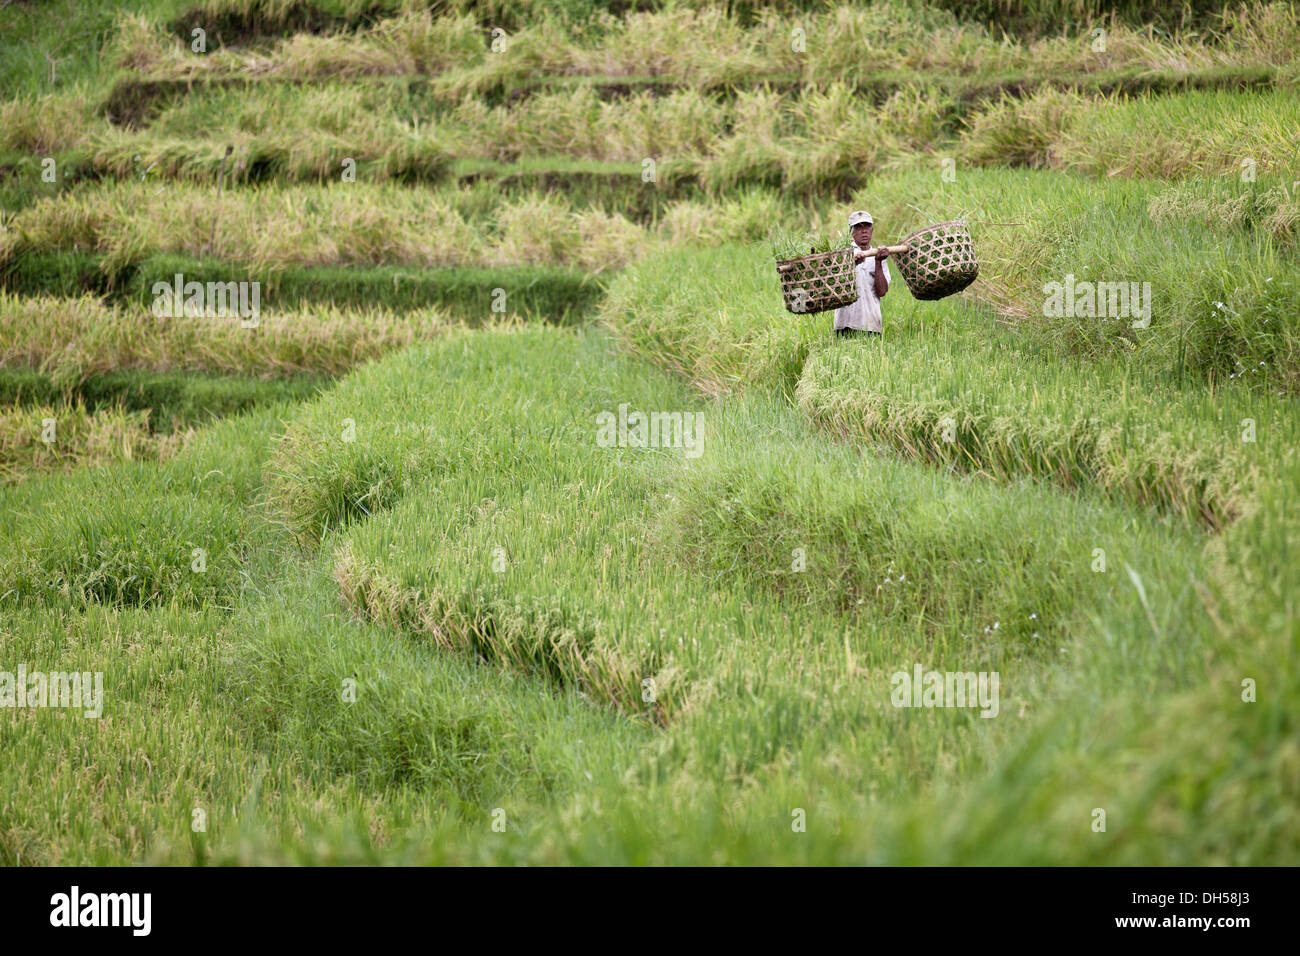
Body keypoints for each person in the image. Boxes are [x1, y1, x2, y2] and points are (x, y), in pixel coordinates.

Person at [833, 210, 890, 337]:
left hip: (871, 326)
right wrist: (852, 265)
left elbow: (882, 292)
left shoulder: (879, 254)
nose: (863, 231)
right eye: (858, 227)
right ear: (851, 231)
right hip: (845, 325)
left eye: (867, 226)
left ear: (872, 229)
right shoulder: (842, 252)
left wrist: (878, 262)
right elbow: (834, 286)